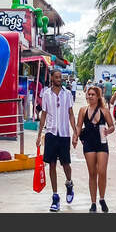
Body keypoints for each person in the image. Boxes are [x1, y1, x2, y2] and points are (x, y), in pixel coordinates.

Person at [38, 71, 78, 211]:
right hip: (51, 133)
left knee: (66, 164)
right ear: (52, 78)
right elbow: (43, 115)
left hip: (64, 134)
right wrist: (38, 135)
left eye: (60, 77)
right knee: (52, 165)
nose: (59, 79)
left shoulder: (67, 94)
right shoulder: (46, 94)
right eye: (56, 77)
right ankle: (55, 197)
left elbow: (71, 114)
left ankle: (69, 183)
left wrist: (75, 132)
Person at [77, 86, 113, 212]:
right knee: (92, 174)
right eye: (89, 94)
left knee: (102, 172)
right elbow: (78, 126)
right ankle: (93, 203)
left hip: (102, 143)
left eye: (93, 94)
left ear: (98, 96)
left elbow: (112, 126)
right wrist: (75, 137)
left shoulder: (104, 110)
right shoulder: (83, 110)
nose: (90, 96)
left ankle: (102, 199)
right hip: (89, 144)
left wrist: (108, 130)